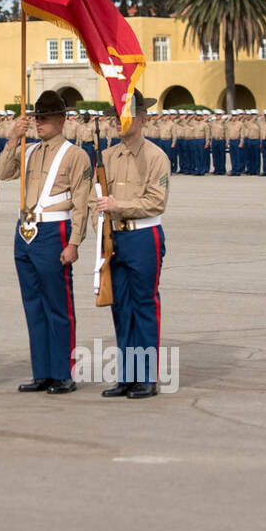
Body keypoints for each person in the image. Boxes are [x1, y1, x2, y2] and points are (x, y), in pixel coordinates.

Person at [0, 90, 92, 394]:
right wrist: (14, 138)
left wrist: (74, 242)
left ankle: (63, 372)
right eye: (37, 118)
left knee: (58, 305)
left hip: (54, 231)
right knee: (34, 306)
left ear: (61, 120)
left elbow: (81, 202)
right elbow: (2, 172)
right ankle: (42, 372)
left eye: (46, 118)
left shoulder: (75, 155)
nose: (39, 123)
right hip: (25, 231)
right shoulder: (29, 150)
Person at [92, 89, 169, 399]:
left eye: (125, 115)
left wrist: (118, 206)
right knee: (121, 308)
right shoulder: (107, 157)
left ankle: (147, 376)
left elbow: (157, 202)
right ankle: (127, 375)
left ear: (142, 119)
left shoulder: (155, 157)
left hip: (143, 236)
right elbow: (95, 199)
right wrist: (100, 228)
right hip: (114, 237)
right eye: (116, 115)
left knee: (144, 306)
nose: (118, 120)